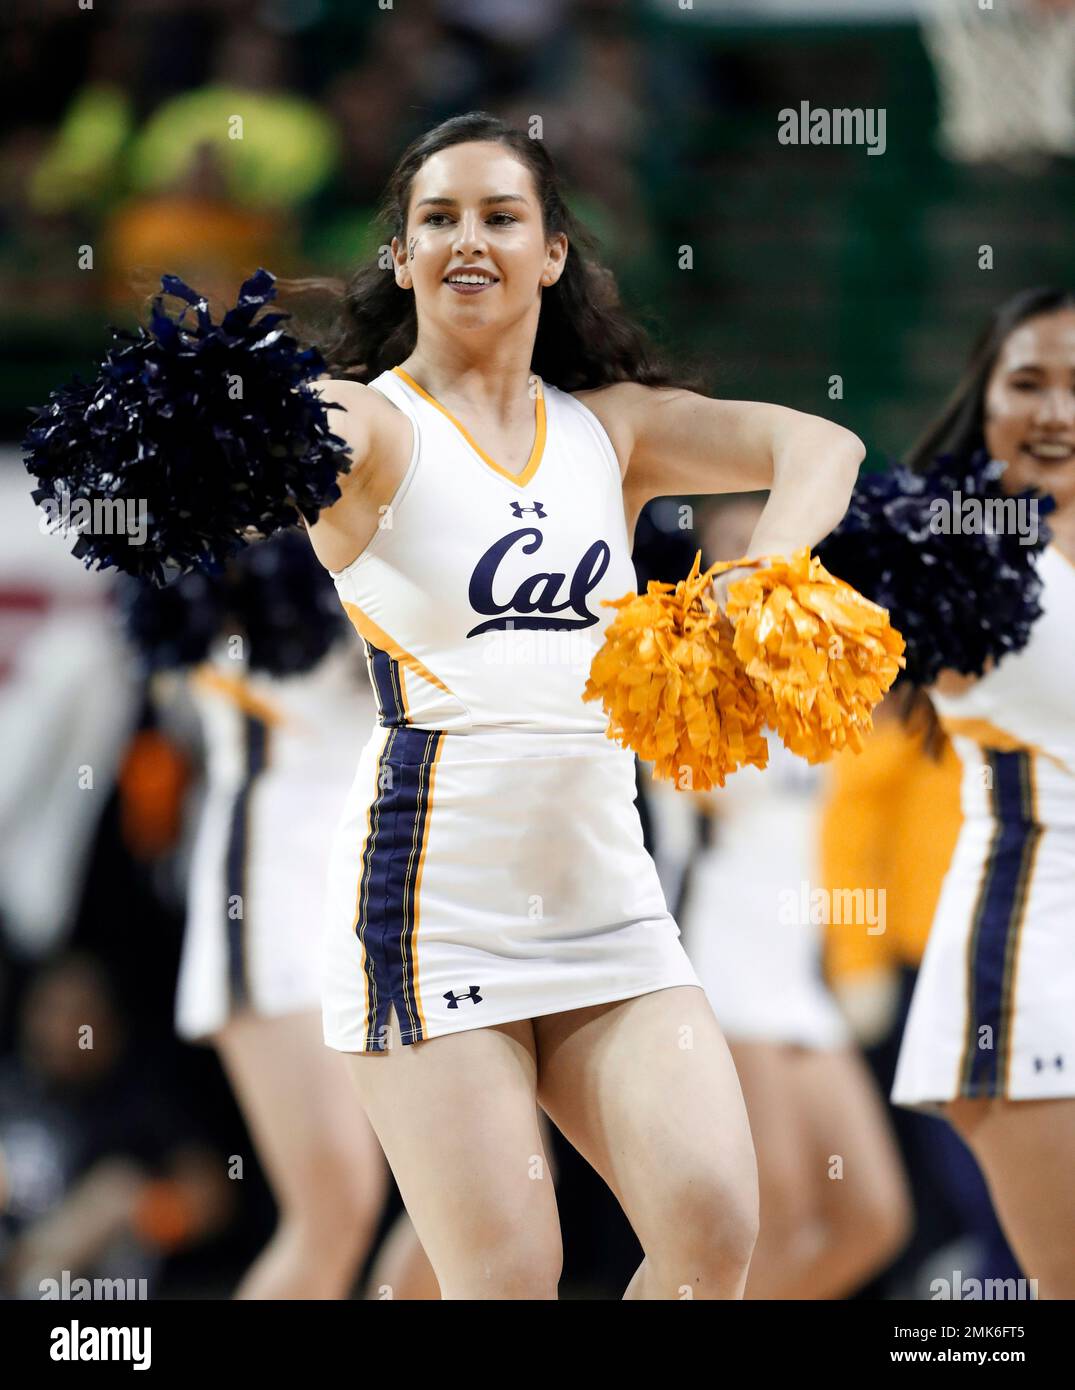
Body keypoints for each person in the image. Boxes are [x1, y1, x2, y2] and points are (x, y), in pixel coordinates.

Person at [295, 110, 863, 1301]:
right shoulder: (374, 426)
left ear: (552, 250)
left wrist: (765, 576)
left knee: (712, 1235)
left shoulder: (608, 432)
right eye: (435, 217)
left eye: (501, 216)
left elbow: (820, 444)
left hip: (608, 900)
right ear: (398, 255)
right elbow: (289, 435)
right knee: (509, 1279)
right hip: (433, 902)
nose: (468, 239)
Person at [662, 494, 912, 1300]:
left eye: (771, 543)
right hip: (717, 965)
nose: (754, 561)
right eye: (731, 544)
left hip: (794, 970)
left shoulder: (821, 676)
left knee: (871, 1217)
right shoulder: (677, 670)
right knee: (773, 1219)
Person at [891, 287, 1075, 1298]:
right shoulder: (959, 549)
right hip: (1030, 973)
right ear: (986, 398)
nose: (1054, 411)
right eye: (1028, 383)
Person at [175, 638, 437, 1299]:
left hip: (404, 865)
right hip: (276, 871)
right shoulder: (233, 541)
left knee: (489, 1185)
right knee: (336, 1207)